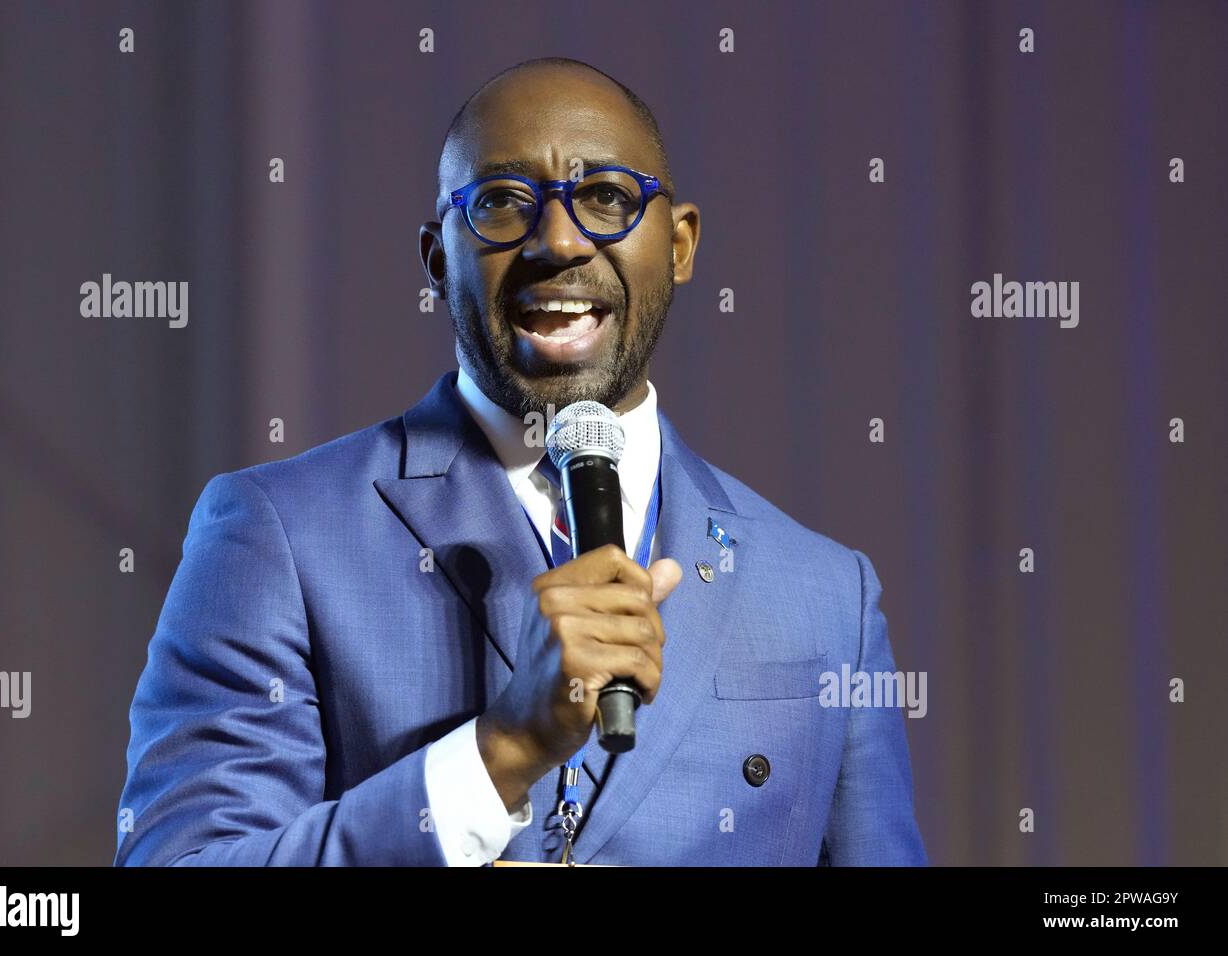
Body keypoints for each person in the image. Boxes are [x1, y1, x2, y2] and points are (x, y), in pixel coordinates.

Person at [114, 57, 926, 867]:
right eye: (502, 202)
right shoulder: (278, 535)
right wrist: (502, 750)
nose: (560, 241)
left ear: (679, 245)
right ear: (438, 261)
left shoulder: (828, 595)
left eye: (605, 196)